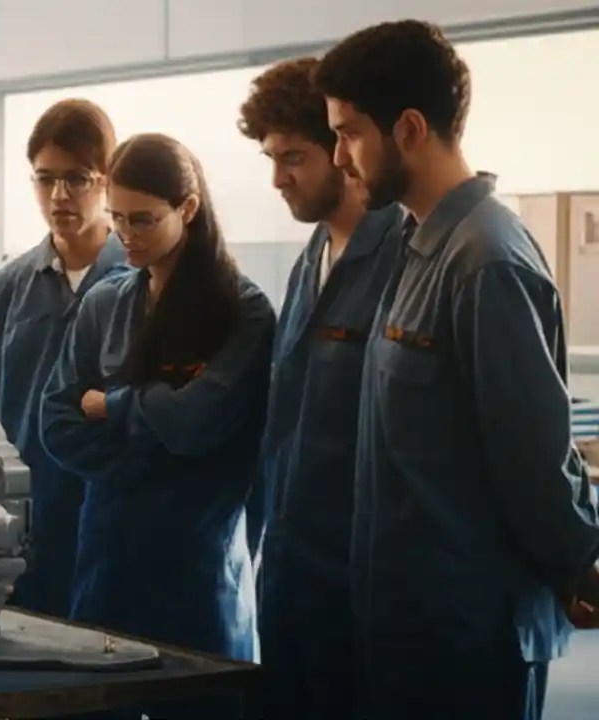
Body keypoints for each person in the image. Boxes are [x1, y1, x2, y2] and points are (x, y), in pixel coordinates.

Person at [314, 19, 599, 719]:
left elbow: (534, 459)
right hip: (403, 632)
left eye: (349, 132)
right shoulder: (417, 249)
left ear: (409, 127)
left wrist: (579, 566)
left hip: (470, 644)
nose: (339, 156)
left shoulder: (487, 261)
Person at [39, 133, 274, 719]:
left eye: (143, 219)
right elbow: (56, 422)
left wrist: (113, 406)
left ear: (188, 209)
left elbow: (198, 422)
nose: (126, 235)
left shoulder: (242, 310)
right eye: (117, 218)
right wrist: (150, 451)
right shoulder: (104, 304)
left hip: (197, 569)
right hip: (107, 561)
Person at [236, 57, 407, 719]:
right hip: (289, 577)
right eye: (270, 158)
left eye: (294, 157)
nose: (278, 178)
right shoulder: (311, 259)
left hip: (364, 593)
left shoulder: (405, 259)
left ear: (343, 149)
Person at [0, 99, 128, 619]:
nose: (59, 195)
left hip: (115, 515)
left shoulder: (140, 282)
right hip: (26, 523)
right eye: (45, 179)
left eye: (77, 178)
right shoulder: (6, 290)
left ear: (106, 179)